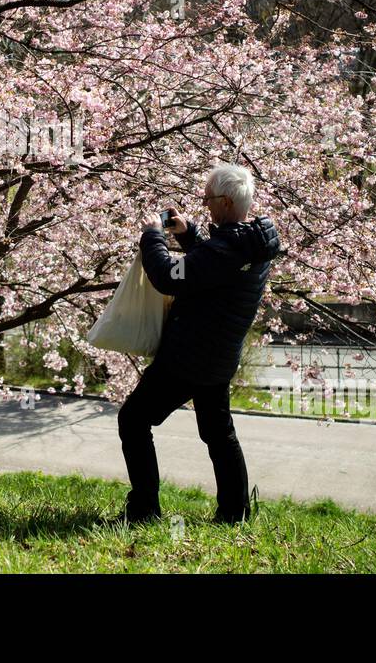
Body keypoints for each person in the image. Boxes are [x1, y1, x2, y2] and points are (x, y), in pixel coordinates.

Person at [115, 162, 281, 525]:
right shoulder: (254, 244)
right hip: (219, 358)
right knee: (219, 435)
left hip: (188, 357)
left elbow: (166, 276)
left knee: (133, 419)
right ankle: (234, 514)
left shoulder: (227, 249)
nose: (205, 205)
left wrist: (153, 235)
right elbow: (213, 270)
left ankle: (144, 509)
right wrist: (190, 237)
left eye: (208, 200)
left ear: (223, 202)